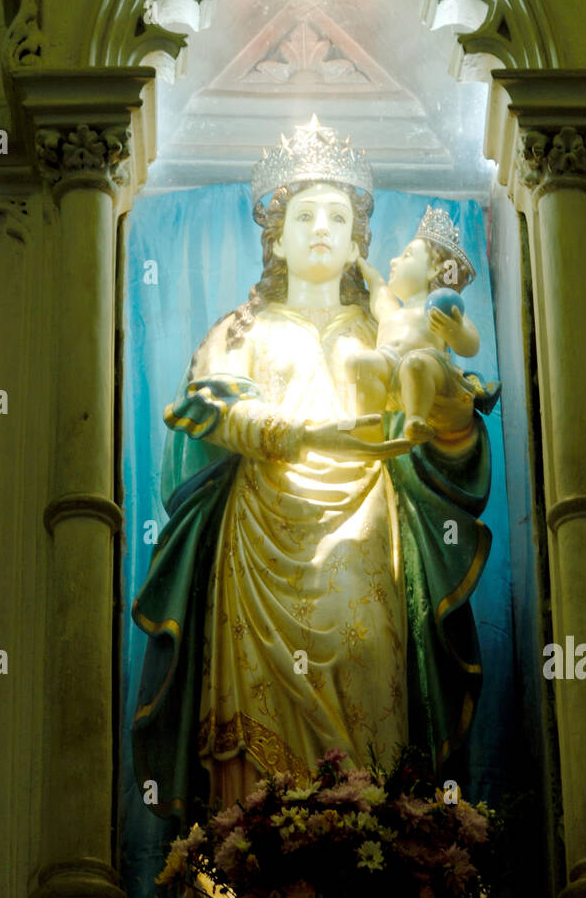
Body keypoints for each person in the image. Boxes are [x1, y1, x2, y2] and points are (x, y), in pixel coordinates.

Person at [132, 118, 500, 839]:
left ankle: (381, 858)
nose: (323, 228)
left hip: (367, 536)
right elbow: (202, 407)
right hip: (260, 542)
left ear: (362, 238)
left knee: (370, 669)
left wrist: (452, 417)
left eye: (338, 216)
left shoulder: (392, 327)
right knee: (261, 709)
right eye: (305, 215)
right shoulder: (242, 329)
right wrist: (300, 433)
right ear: (275, 235)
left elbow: (444, 435)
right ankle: (247, 893)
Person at [351, 208, 500, 443]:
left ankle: (415, 419)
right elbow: (379, 288)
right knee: (361, 362)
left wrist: (455, 330)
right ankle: (369, 425)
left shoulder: (439, 307)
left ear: (434, 269)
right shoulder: (393, 312)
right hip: (389, 367)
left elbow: (470, 345)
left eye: (407, 255)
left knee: (415, 364)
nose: (394, 260)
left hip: (429, 368)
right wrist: (361, 266)